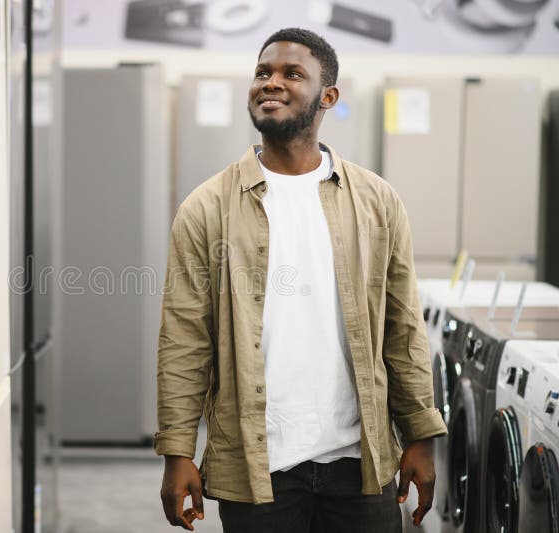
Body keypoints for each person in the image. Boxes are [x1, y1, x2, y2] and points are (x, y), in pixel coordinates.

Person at [155, 27, 447, 533]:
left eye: (293, 74)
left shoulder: (376, 201)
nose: (272, 83)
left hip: (361, 462)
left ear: (327, 96)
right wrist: (177, 449)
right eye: (263, 73)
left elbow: (403, 328)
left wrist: (420, 433)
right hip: (257, 467)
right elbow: (184, 339)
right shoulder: (207, 208)